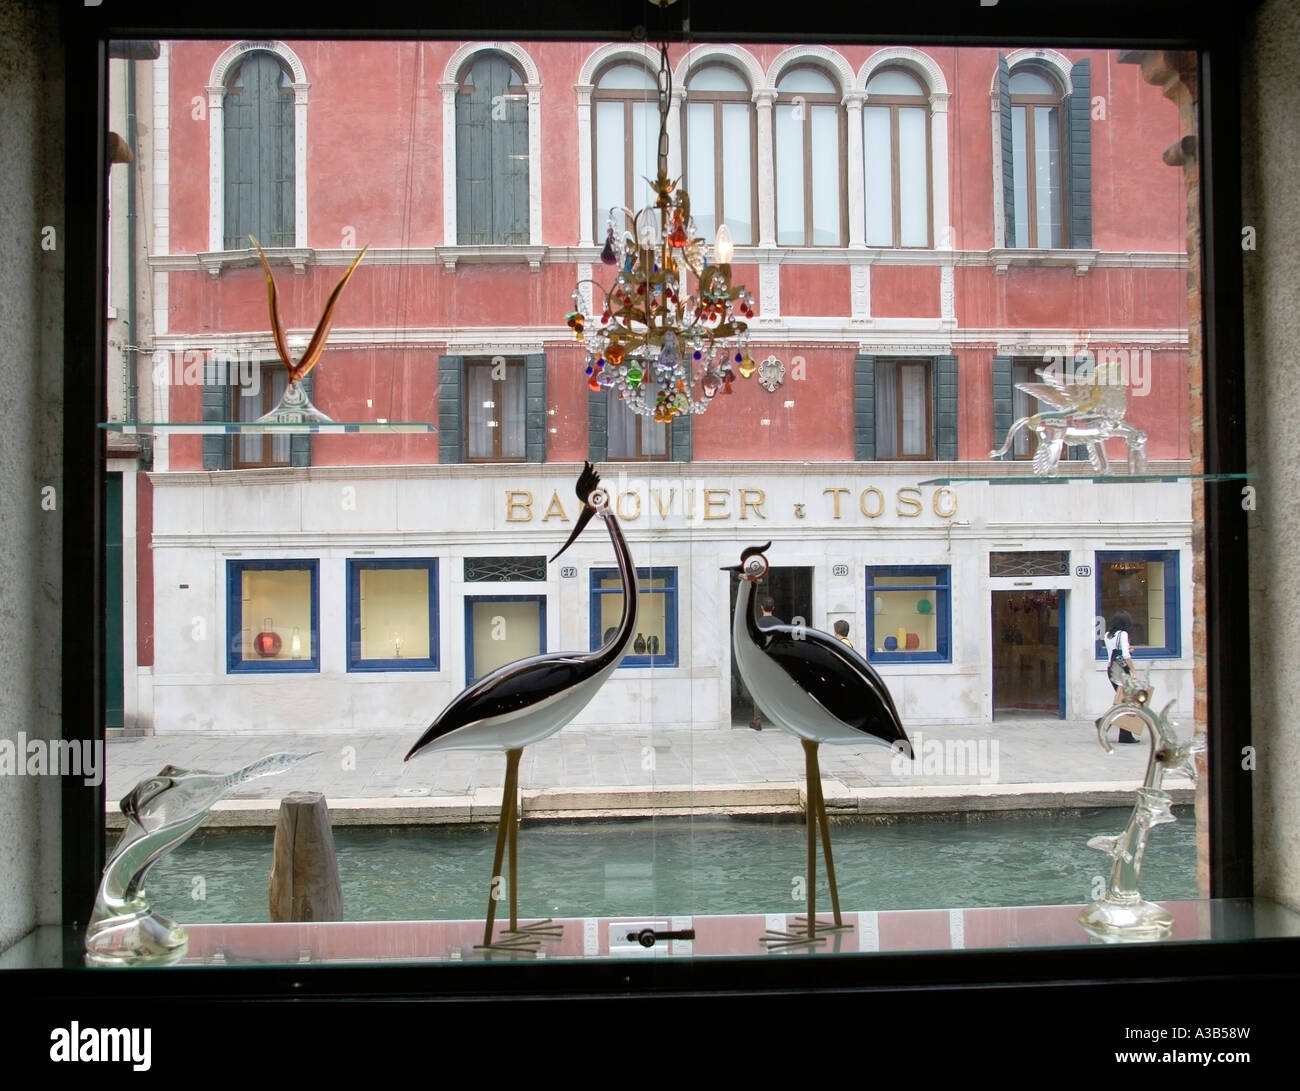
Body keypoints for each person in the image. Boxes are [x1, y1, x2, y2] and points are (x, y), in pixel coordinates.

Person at [1104, 611, 1141, 743]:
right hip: (1122, 671)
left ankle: (1123, 733)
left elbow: (1112, 654)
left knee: (1122, 701)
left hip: (1111, 670)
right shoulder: (1123, 634)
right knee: (1126, 701)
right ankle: (1107, 725)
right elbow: (1125, 655)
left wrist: (1127, 649)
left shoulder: (1107, 635)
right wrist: (1134, 671)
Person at [749, 597, 785, 730]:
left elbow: (753, 644)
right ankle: (782, 721)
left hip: (760, 662)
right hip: (775, 662)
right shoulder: (781, 624)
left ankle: (757, 721)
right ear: (773, 608)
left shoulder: (757, 624)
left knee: (758, 691)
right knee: (777, 692)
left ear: (762, 608)